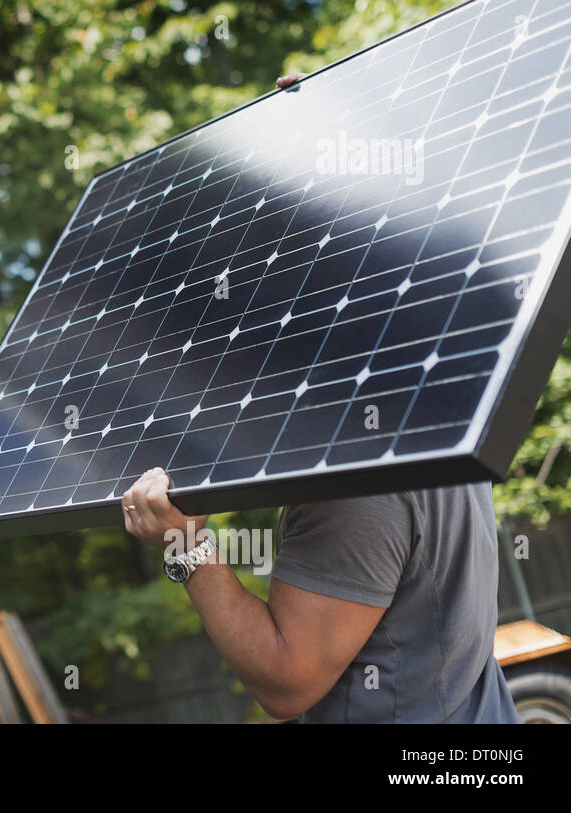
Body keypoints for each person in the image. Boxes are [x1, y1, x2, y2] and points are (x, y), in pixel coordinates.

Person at [117, 72, 520, 723]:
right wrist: (313, 123)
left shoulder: (356, 473)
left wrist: (184, 546)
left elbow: (288, 679)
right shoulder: (436, 403)